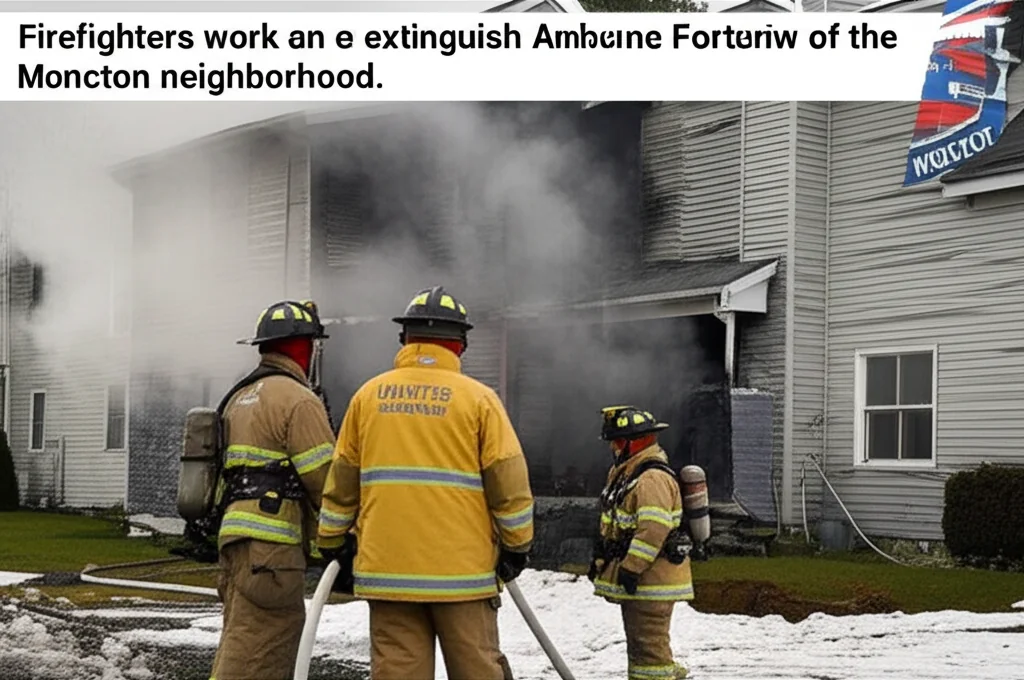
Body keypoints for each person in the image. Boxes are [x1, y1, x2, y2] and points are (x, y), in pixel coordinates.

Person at [317, 285, 534, 680]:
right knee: (477, 671)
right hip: (463, 579)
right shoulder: (479, 400)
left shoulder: (368, 397)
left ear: (404, 339)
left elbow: (341, 484)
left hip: (388, 575)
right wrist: (517, 547)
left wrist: (333, 544)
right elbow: (508, 480)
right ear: (461, 346)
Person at [209, 300, 336, 680]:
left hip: (234, 543)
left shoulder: (237, 398)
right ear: (303, 346)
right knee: (265, 651)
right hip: (272, 553)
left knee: (241, 638)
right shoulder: (298, 400)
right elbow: (327, 482)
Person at [588, 405, 695, 680]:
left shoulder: (651, 479)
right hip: (645, 579)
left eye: (617, 441)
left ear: (634, 442)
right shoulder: (628, 473)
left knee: (649, 653)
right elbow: (616, 528)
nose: (613, 447)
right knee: (644, 646)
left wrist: (632, 567)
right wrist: (602, 560)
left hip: (652, 578)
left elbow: (653, 530)